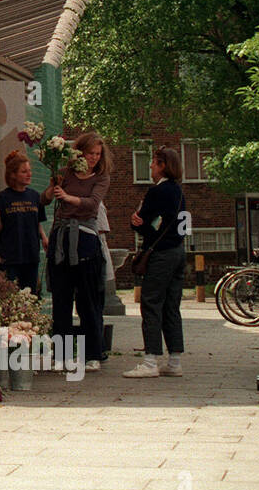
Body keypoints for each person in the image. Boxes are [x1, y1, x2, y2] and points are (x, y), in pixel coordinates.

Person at [41, 131, 111, 370]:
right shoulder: (65, 174)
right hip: (62, 240)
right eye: (90, 153)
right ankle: (61, 355)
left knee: (87, 299)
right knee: (61, 299)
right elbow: (45, 200)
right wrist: (53, 190)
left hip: (85, 240)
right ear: (80, 152)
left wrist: (69, 198)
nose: (94, 158)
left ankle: (93, 353)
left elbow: (92, 204)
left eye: (97, 154)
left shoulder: (101, 178)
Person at [124, 147, 187, 378]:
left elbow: (142, 222)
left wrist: (135, 222)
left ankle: (150, 361)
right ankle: (174, 360)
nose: (150, 166)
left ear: (162, 165)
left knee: (151, 303)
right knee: (172, 305)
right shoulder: (179, 192)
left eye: (153, 162)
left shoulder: (156, 192)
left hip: (161, 254)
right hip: (179, 252)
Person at [0, 150, 48, 295]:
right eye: (24, 171)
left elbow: (38, 222)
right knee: (11, 298)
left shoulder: (35, 196)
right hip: (10, 258)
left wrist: (45, 238)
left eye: (29, 171)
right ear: (13, 174)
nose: (29, 174)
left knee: (31, 297)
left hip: (31, 255)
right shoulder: (2, 198)